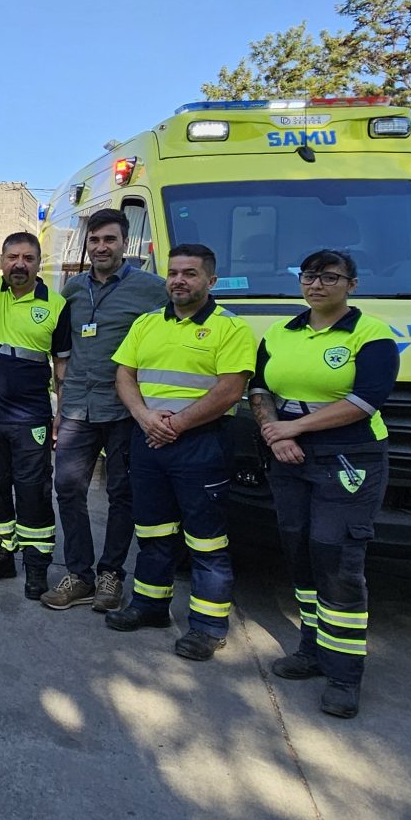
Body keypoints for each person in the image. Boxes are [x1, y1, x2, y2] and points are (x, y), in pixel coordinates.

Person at [250, 249, 396, 719]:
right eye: (310, 276)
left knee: (336, 557)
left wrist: (294, 430)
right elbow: (259, 389)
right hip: (287, 456)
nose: (317, 285)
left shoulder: (371, 334)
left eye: (330, 277)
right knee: (301, 551)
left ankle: (344, 675)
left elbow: (365, 400)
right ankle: (311, 649)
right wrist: (274, 433)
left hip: (349, 458)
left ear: (351, 284)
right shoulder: (280, 332)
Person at [104, 243, 256, 662]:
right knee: (153, 531)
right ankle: (150, 606)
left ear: (211, 281)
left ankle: (207, 628)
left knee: (206, 541)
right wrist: (143, 417)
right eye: (173, 272)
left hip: (200, 444)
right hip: (149, 438)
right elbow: (125, 374)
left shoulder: (231, 328)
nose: (178, 281)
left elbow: (230, 389)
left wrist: (175, 425)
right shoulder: (148, 323)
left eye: (189, 273)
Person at [44, 209, 168, 613]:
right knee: (67, 487)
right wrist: (60, 407)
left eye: (109, 240)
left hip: (125, 410)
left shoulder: (153, 289)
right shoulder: (73, 289)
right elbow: (63, 351)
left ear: (124, 244)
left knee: (121, 493)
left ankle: (110, 574)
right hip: (79, 405)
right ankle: (79, 575)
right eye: (94, 240)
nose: (101, 247)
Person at [0, 206, 71, 601]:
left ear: (39, 263)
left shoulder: (56, 305)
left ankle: (36, 568)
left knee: (33, 491)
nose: (20, 264)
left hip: (30, 418)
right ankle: (0, 558)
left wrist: (61, 416)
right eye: (12, 257)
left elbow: (62, 369)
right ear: (1, 261)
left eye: (28, 258)